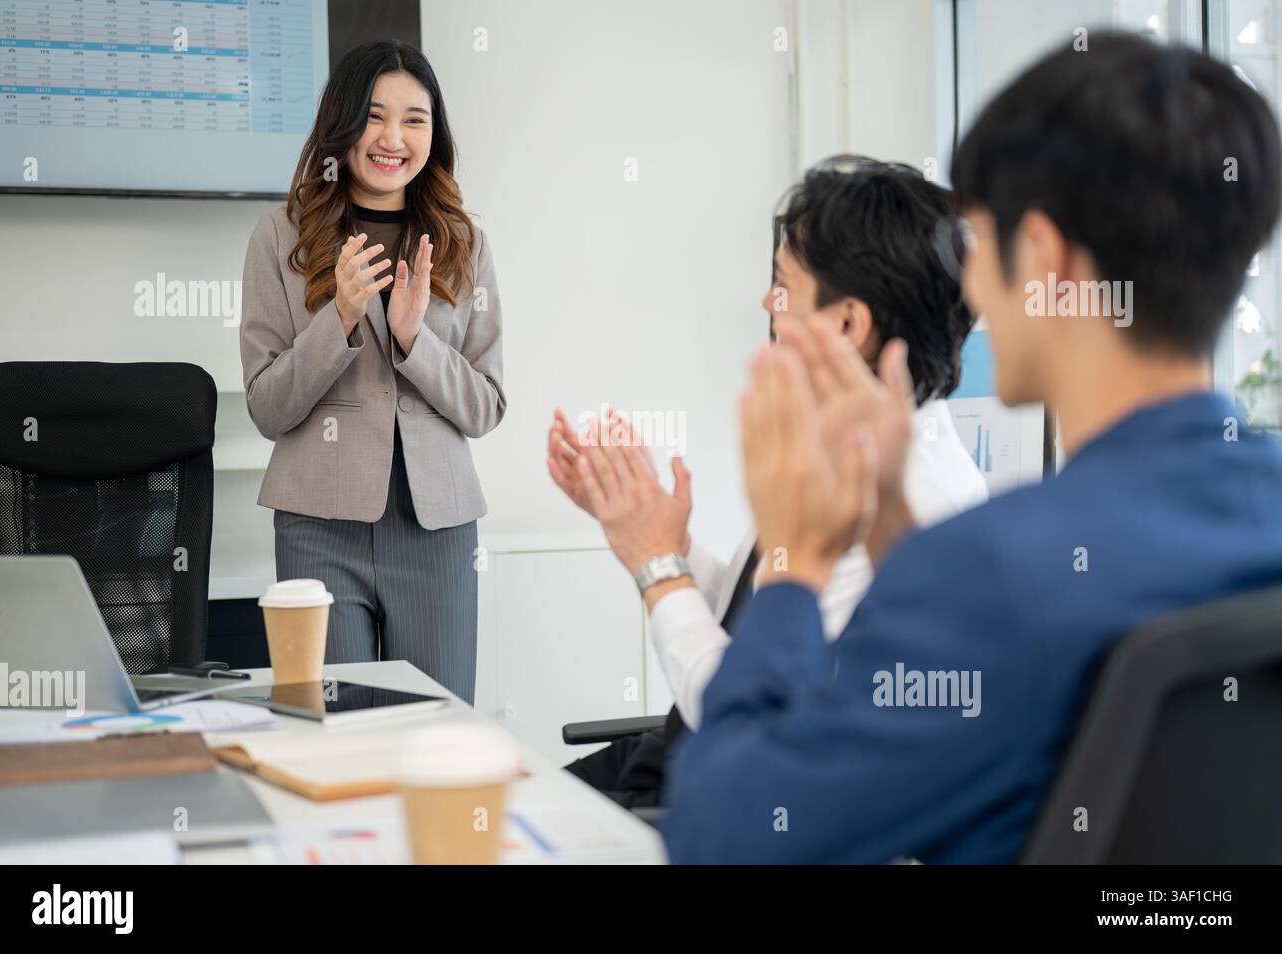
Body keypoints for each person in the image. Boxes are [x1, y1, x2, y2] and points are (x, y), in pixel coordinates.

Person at [660, 31, 1282, 863]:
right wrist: (896, 536)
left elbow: (726, 833)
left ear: (1048, 259)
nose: (972, 291)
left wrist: (798, 571)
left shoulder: (996, 575)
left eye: (981, 247)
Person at [548, 157, 987, 806]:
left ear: (847, 324)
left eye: (781, 288)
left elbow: (750, 711)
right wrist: (657, 530)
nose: (765, 304)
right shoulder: (842, 438)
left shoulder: (909, 506)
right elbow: (768, 617)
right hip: (680, 754)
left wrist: (656, 566)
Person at [239, 40, 504, 701]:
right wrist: (341, 322)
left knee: (435, 734)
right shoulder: (282, 236)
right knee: (336, 732)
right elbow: (269, 407)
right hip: (319, 529)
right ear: (343, 124)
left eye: (415, 119)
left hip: (436, 530)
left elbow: (486, 404)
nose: (394, 137)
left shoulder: (465, 241)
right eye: (376, 116)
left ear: (433, 133)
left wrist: (417, 341)